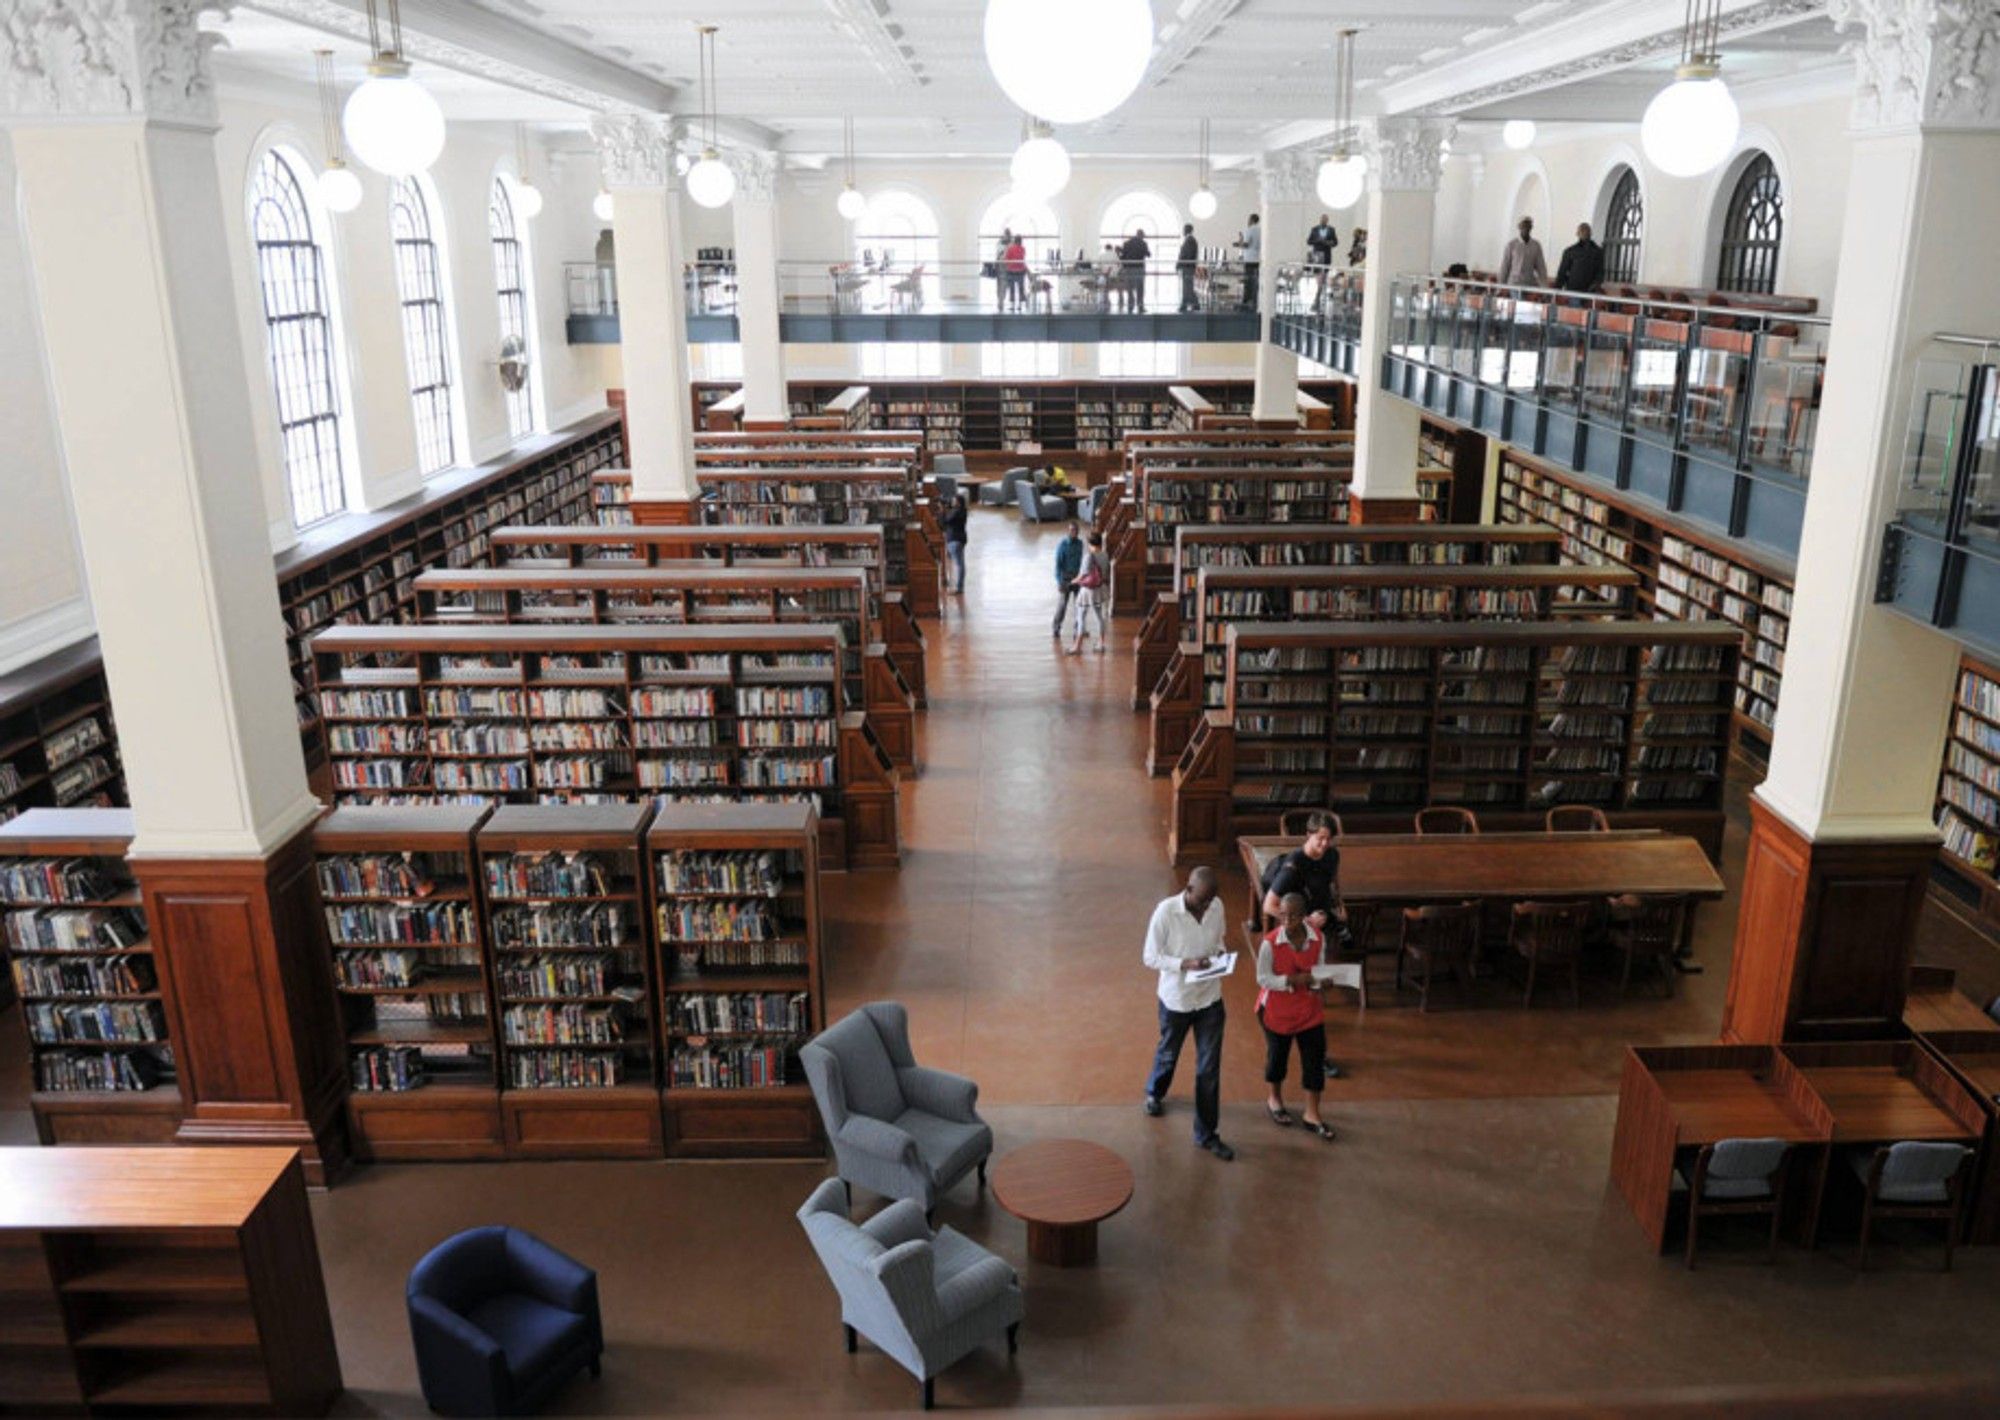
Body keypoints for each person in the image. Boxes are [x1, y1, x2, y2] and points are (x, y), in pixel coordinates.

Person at [1142, 865, 1233, 1160]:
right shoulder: (1165, 912)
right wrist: (1184, 964)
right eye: (1202, 900)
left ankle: (1206, 1134)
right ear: (1189, 889)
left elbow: (1219, 939)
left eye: (1211, 901)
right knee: (1169, 1052)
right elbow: (1150, 956)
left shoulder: (1216, 906)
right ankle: (1155, 1091)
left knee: (1208, 1070)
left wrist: (1219, 954)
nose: (1207, 906)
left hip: (1209, 999)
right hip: (1176, 1001)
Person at [1260, 810, 1350, 1079]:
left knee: (1315, 992)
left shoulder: (1332, 856)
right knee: (1299, 990)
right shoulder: (1293, 865)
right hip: (1298, 935)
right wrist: (1305, 920)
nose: (1325, 845)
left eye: (1329, 839)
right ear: (1308, 836)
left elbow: (1333, 883)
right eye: (1320, 839)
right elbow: (1269, 905)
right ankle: (1291, 1048)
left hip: (1319, 934)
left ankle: (1317, 1053)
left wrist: (1339, 906)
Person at [1256, 892, 1337, 1141]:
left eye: (1292, 915)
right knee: (1277, 1058)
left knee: (1314, 1059)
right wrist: (1291, 980)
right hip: (1278, 1009)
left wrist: (1322, 982)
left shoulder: (1317, 938)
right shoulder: (1270, 943)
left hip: (1309, 1010)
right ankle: (1275, 1099)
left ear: (1304, 917)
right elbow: (1263, 979)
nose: (1286, 919)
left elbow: (1319, 969)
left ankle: (1312, 1113)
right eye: (1282, 914)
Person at [1064, 530, 1111, 655]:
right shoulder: (1105, 555)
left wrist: (1072, 582)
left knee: (1081, 616)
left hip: (1087, 591)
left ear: (1090, 543)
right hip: (1099, 589)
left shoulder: (1088, 556)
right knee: (1099, 616)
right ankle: (1101, 644)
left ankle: (1077, 647)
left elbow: (1082, 575)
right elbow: (1105, 572)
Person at [1051, 520, 1083, 639]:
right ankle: (1056, 627)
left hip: (1077, 577)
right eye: (1071, 530)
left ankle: (1078, 629)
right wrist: (1059, 581)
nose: (1073, 532)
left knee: (1078, 605)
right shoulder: (1062, 545)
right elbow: (1058, 565)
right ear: (1068, 531)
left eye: (1075, 530)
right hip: (1065, 578)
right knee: (1062, 605)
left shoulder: (1080, 544)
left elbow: (1080, 562)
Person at [1497, 215, 1548, 288]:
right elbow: (1505, 267)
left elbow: (1541, 267)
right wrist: (1500, 287)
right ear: (1519, 227)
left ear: (1531, 227)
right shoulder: (1511, 245)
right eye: (1524, 226)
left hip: (1529, 284)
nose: (1526, 228)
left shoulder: (1536, 246)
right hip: (1513, 284)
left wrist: (1544, 287)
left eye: (1528, 226)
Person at [1554, 221, 1605, 293]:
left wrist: (1594, 286)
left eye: (1585, 231)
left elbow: (1600, 273)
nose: (1584, 233)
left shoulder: (1570, 251)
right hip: (1576, 290)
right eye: (1582, 231)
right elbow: (1562, 273)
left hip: (1585, 291)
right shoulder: (1570, 251)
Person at [1307, 213, 1338, 308]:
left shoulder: (1331, 230)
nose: (1323, 221)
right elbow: (1309, 241)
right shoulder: (1314, 229)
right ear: (1320, 220)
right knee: (1318, 278)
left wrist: (1328, 243)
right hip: (1317, 256)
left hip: (1326, 255)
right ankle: (1317, 298)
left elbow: (1335, 242)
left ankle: (1318, 298)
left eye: (1325, 220)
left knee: (1323, 277)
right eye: (1322, 219)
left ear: (1327, 221)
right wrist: (1318, 240)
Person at [942, 492, 969, 595]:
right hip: (960, 539)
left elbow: (944, 522)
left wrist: (943, 511)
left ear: (958, 503)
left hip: (954, 540)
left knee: (959, 564)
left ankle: (958, 588)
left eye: (954, 500)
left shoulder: (955, 513)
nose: (952, 502)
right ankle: (959, 587)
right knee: (960, 564)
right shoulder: (962, 511)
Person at [1118, 228, 1150, 313]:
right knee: (1140, 288)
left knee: (1130, 288)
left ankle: (1130, 306)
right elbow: (1148, 254)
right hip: (1139, 268)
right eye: (1143, 236)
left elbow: (1123, 257)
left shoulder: (1127, 243)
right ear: (1141, 235)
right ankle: (1140, 307)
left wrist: (1119, 252)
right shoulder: (1143, 243)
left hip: (1129, 268)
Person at [1236, 213, 1262, 310]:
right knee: (1255, 282)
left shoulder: (1249, 230)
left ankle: (1246, 302)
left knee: (1248, 281)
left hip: (1249, 259)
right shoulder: (1260, 230)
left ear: (1251, 220)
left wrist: (1239, 242)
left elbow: (1246, 244)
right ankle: (1255, 301)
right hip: (1257, 258)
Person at [1003, 231, 1029, 312]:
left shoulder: (1010, 248)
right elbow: (1022, 258)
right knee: (1021, 288)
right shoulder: (1022, 249)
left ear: (1014, 240)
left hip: (1011, 271)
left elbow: (1006, 259)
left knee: (1012, 289)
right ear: (1020, 241)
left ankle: (1012, 306)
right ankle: (1020, 306)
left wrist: (1008, 266)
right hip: (1020, 271)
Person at [1176, 223, 1199, 312]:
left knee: (1187, 287)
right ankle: (1192, 304)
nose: (1183, 231)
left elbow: (1187, 255)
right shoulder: (1189, 240)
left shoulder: (1190, 240)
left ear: (1187, 230)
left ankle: (1186, 305)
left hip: (1188, 267)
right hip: (1187, 266)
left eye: (1184, 229)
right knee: (1187, 287)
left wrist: (1180, 263)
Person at [992, 228, 1012, 311]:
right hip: (1002, 266)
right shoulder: (1006, 243)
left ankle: (1001, 301)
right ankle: (1000, 301)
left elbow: (998, 254)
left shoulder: (1004, 243)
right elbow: (998, 254)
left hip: (1003, 266)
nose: (1005, 236)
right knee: (1001, 284)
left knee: (1002, 284)